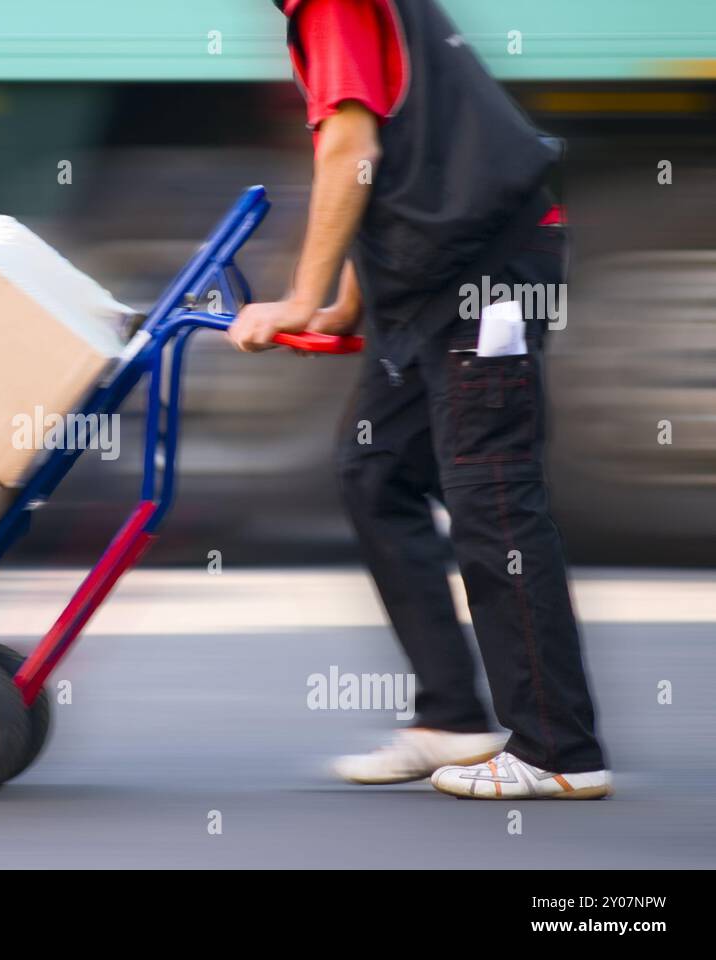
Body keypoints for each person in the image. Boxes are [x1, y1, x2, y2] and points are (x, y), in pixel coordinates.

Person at [229, 0, 610, 798]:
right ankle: (452, 721)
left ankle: (558, 751)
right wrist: (346, 304)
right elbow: (403, 163)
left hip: (487, 275)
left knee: (492, 490)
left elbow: (351, 150)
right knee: (377, 466)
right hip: (434, 279)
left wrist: (300, 299)